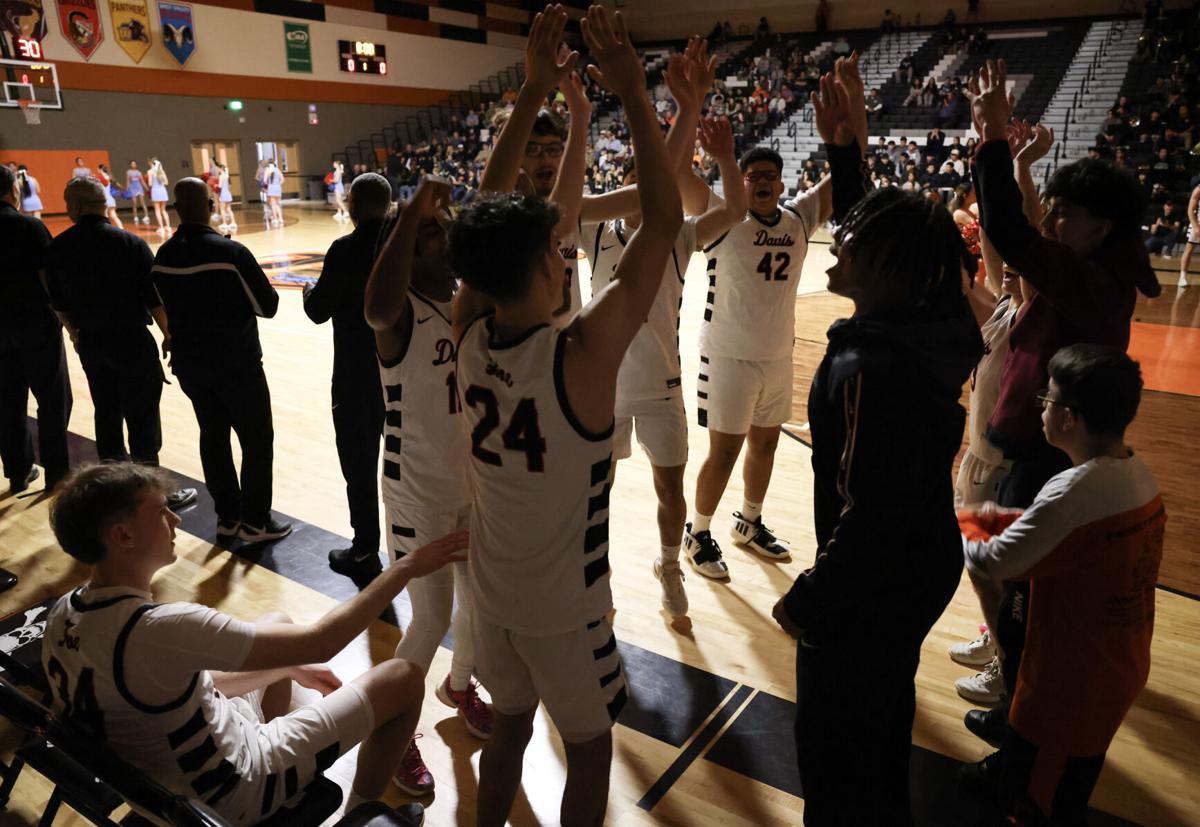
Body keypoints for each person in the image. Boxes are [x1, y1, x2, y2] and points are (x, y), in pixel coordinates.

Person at [449, 6, 681, 824]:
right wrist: (634, 94)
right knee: (588, 751)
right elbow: (664, 223)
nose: (566, 253)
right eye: (558, 249)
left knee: (509, 729)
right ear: (546, 265)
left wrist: (532, 94)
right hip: (564, 608)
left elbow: (479, 224)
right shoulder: (579, 357)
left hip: (492, 593)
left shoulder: (468, 330)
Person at [42, 461, 468, 826]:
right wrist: (405, 568)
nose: (176, 520)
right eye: (160, 512)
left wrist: (286, 664)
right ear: (123, 536)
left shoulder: (63, 613)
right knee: (403, 677)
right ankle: (361, 814)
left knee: (277, 624)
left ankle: (289, 767)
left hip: (158, 788)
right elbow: (322, 642)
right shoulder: (161, 629)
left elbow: (165, 693)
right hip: (229, 796)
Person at [963, 59, 1162, 759]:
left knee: (1009, 576)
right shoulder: (1091, 270)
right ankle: (1013, 676)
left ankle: (1018, 706)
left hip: (1041, 451)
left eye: (1066, 213)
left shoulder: (1091, 283)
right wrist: (1012, 163)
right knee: (1003, 571)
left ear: (1100, 227)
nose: (1054, 218)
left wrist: (992, 138)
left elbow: (1012, 233)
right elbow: (1023, 237)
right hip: (1026, 442)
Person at [773, 184, 983, 826]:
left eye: (855, 239)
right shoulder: (932, 327)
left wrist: (809, 599)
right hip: (922, 559)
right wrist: (846, 158)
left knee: (834, 751)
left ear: (891, 266)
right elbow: (897, 235)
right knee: (882, 724)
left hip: (874, 580)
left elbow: (872, 514)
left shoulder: (871, 366)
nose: (839, 240)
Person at [958, 345, 1164, 825]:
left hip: (1066, 685)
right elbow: (1057, 533)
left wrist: (968, 520)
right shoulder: (1135, 474)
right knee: (1072, 778)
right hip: (1117, 665)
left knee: (1038, 803)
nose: (1041, 410)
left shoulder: (1073, 492)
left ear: (1068, 418)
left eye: (1046, 400)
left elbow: (996, 559)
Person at [683, 55, 868, 583]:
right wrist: (697, 120)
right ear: (741, 183)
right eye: (754, 176)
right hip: (727, 357)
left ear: (783, 185)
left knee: (765, 443)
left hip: (776, 356)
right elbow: (676, 175)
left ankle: (749, 521)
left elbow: (850, 163)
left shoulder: (798, 217)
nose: (763, 182)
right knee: (724, 451)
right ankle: (698, 532)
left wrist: (854, 105)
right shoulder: (722, 216)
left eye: (770, 177)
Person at [581, 58, 747, 616]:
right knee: (594, 494)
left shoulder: (680, 234)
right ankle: (595, 575)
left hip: (661, 386)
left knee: (669, 491)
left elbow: (736, 209)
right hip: (602, 387)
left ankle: (670, 565)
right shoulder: (594, 231)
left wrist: (725, 158)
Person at [362, 175, 494, 796]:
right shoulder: (398, 314)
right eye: (427, 237)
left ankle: (458, 687)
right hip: (415, 486)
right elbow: (375, 306)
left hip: (473, 482)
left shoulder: (467, 301)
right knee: (432, 614)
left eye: (444, 232)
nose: (443, 242)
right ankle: (391, 729)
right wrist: (414, 209)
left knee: (482, 602)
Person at [151, 178, 291, 545]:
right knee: (256, 440)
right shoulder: (231, 253)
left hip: (191, 365)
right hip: (236, 364)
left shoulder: (163, 256)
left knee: (212, 436)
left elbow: (163, 306)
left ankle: (228, 517)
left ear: (175, 209)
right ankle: (256, 522)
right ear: (212, 206)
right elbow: (268, 306)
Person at [46, 178, 196, 512]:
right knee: (143, 415)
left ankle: (114, 492)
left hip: (92, 341)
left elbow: (59, 304)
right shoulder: (130, 243)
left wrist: (75, 336)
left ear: (76, 207)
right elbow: (154, 298)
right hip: (132, 340)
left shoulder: (59, 248)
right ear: (104, 205)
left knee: (106, 412)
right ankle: (152, 492)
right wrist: (169, 335)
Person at [303, 173, 388, 580]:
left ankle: (365, 549)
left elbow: (318, 310)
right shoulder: (405, 246)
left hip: (356, 376)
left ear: (351, 205)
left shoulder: (344, 249)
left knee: (359, 465)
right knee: (409, 464)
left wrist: (307, 290)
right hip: (402, 375)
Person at [0, 164, 71, 494]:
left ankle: (18, 470)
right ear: (14, 191)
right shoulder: (30, 226)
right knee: (53, 399)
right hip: (35, 325)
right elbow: (49, 279)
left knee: (7, 400)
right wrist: (67, 321)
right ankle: (57, 473)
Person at [1181, 182, 1200, 288]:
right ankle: (1182, 277)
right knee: (1189, 249)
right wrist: (1195, 226)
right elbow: (1190, 209)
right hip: (1198, 222)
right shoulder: (1198, 189)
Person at [95, 163, 124, 229]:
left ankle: (106, 230)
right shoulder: (108, 176)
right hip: (110, 199)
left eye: (98, 169)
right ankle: (121, 228)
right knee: (114, 216)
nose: (97, 170)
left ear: (100, 169)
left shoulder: (99, 178)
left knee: (104, 216)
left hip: (104, 199)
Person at [147, 158, 171, 236]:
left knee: (157, 210)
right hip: (163, 191)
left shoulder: (150, 172)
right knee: (163, 210)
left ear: (151, 163)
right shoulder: (161, 171)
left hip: (155, 191)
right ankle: (168, 226)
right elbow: (166, 182)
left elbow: (150, 184)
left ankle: (161, 227)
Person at [126, 160, 150, 225]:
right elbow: (128, 181)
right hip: (132, 188)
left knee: (142, 202)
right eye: (132, 164)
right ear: (130, 165)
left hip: (139, 188)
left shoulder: (139, 172)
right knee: (134, 203)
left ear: (136, 165)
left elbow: (142, 181)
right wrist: (127, 189)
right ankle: (135, 217)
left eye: (134, 164)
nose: (133, 165)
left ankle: (146, 216)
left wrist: (146, 188)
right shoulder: (129, 172)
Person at [264, 160, 284, 227]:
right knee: (278, 204)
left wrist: (267, 186)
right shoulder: (277, 169)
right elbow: (282, 179)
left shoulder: (267, 169)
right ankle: (281, 218)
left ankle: (275, 219)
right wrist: (278, 184)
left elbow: (264, 180)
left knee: (273, 204)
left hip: (271, 187)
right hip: (278, 187)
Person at [216, 163, 235, 231]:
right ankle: (233, 222)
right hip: (228, 193)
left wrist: (215, 185)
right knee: (229, 209)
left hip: (223, 194)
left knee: (222, 209)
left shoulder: (221, 176)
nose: (217, 170)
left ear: (220, 168)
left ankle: (225, 223)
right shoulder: (226, 175)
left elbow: (220, 186)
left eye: (218, 168)